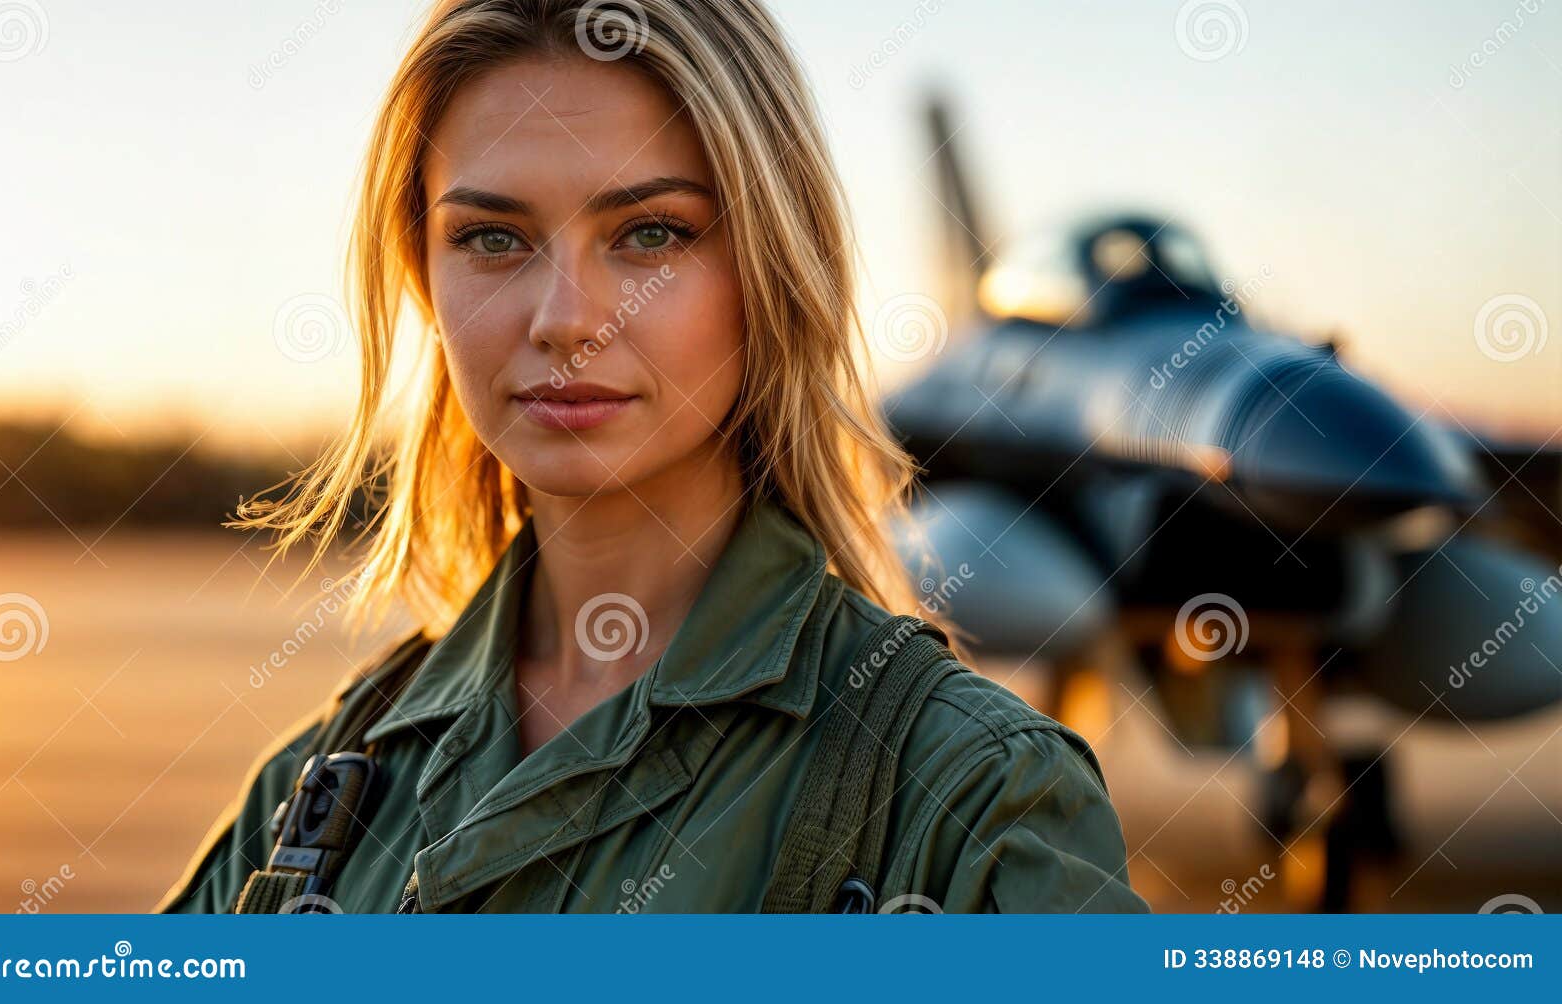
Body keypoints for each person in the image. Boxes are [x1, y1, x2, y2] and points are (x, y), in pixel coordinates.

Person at [158, 0, 1148, 914]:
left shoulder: (976, 795)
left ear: (771, 267)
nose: (566, 319)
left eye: (648, 233)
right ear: (424, 277)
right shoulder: (313, 796)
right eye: (493, 237)